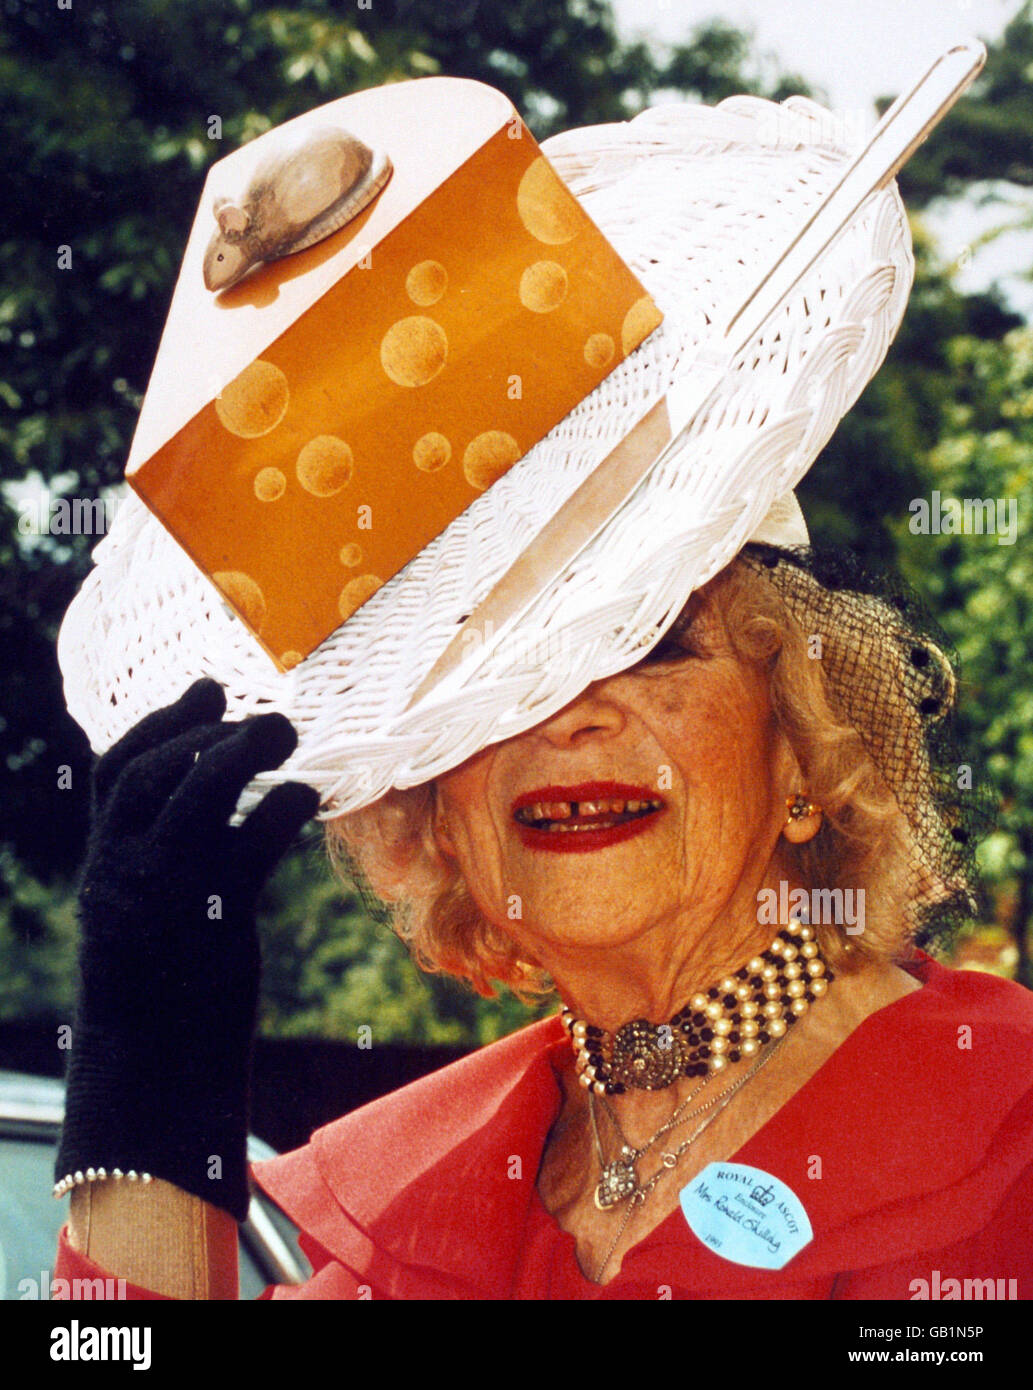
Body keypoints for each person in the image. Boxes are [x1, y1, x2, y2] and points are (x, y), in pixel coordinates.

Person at [51, 74, 1033, 1300]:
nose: (570, 714)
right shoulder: (407, 1239)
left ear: (802, 754)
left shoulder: (1009, 1130)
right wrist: (142, 1096)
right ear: (436, 821)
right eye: (497, 688)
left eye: (655, 643)